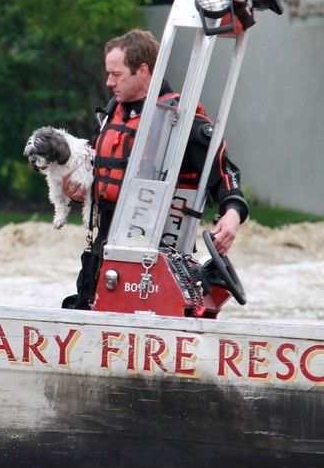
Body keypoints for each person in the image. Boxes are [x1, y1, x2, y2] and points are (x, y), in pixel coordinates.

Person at [61, 28, 248, 310]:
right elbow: (100, 174)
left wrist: (232, 216)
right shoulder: (113, 113)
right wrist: (76, 189)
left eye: (117, 74)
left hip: (158, 248)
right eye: (108, 73)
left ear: (143, 71)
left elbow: (225, 173)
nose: (109, 82)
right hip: (104, 245)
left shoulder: (180, 119)